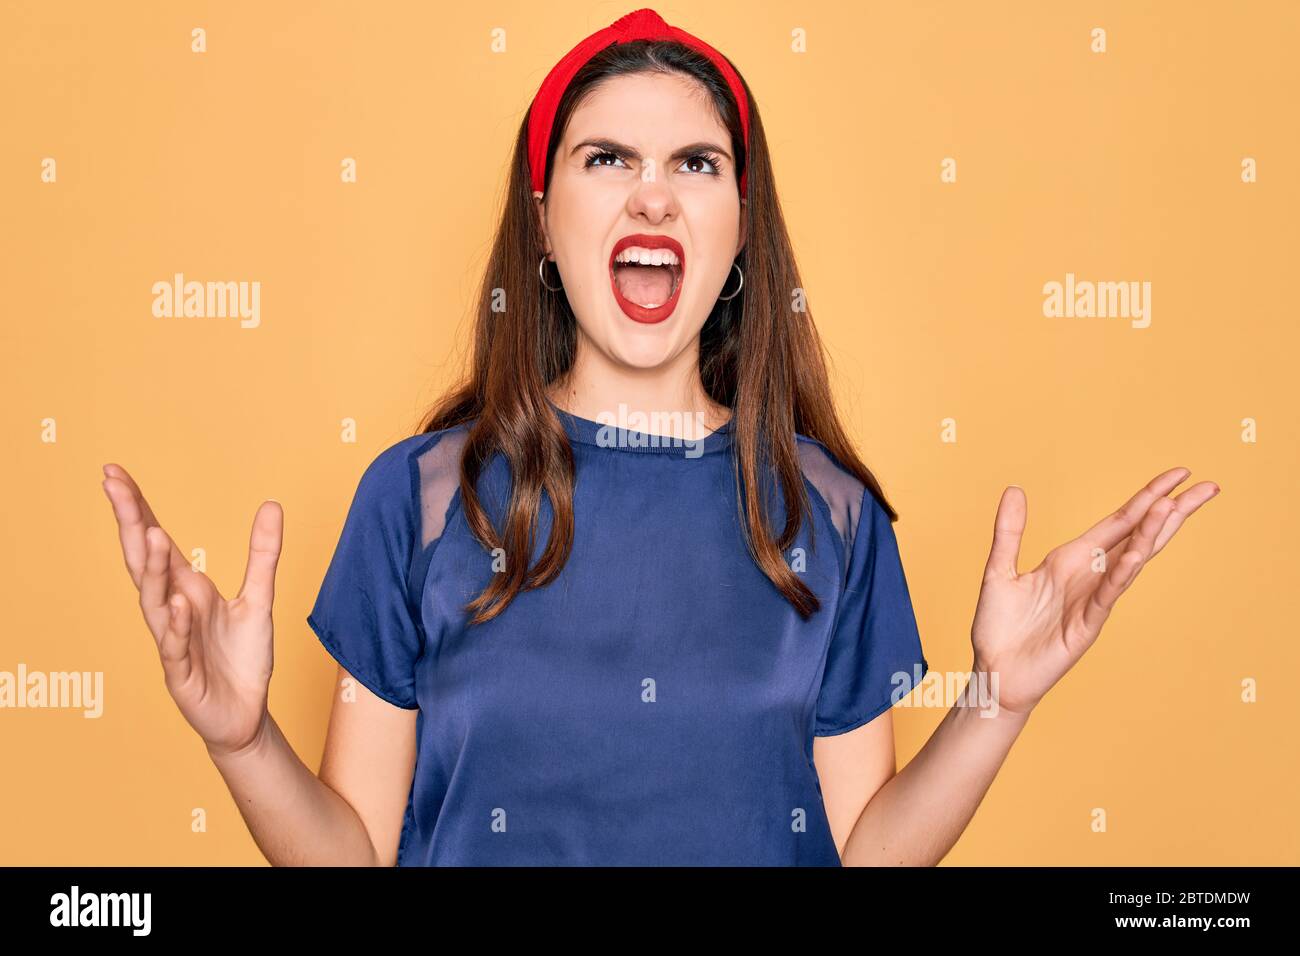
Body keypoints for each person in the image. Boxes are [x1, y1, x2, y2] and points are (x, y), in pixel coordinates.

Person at [100, 8, 1219, 866]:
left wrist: (998, 699)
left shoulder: (824, 512)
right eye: (606, 160)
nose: (653, 198)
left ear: (739, 225)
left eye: (696, 163)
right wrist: (239, 741)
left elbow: (862, 848)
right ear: (543, 219)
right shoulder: (422, 498)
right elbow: (356, 852)